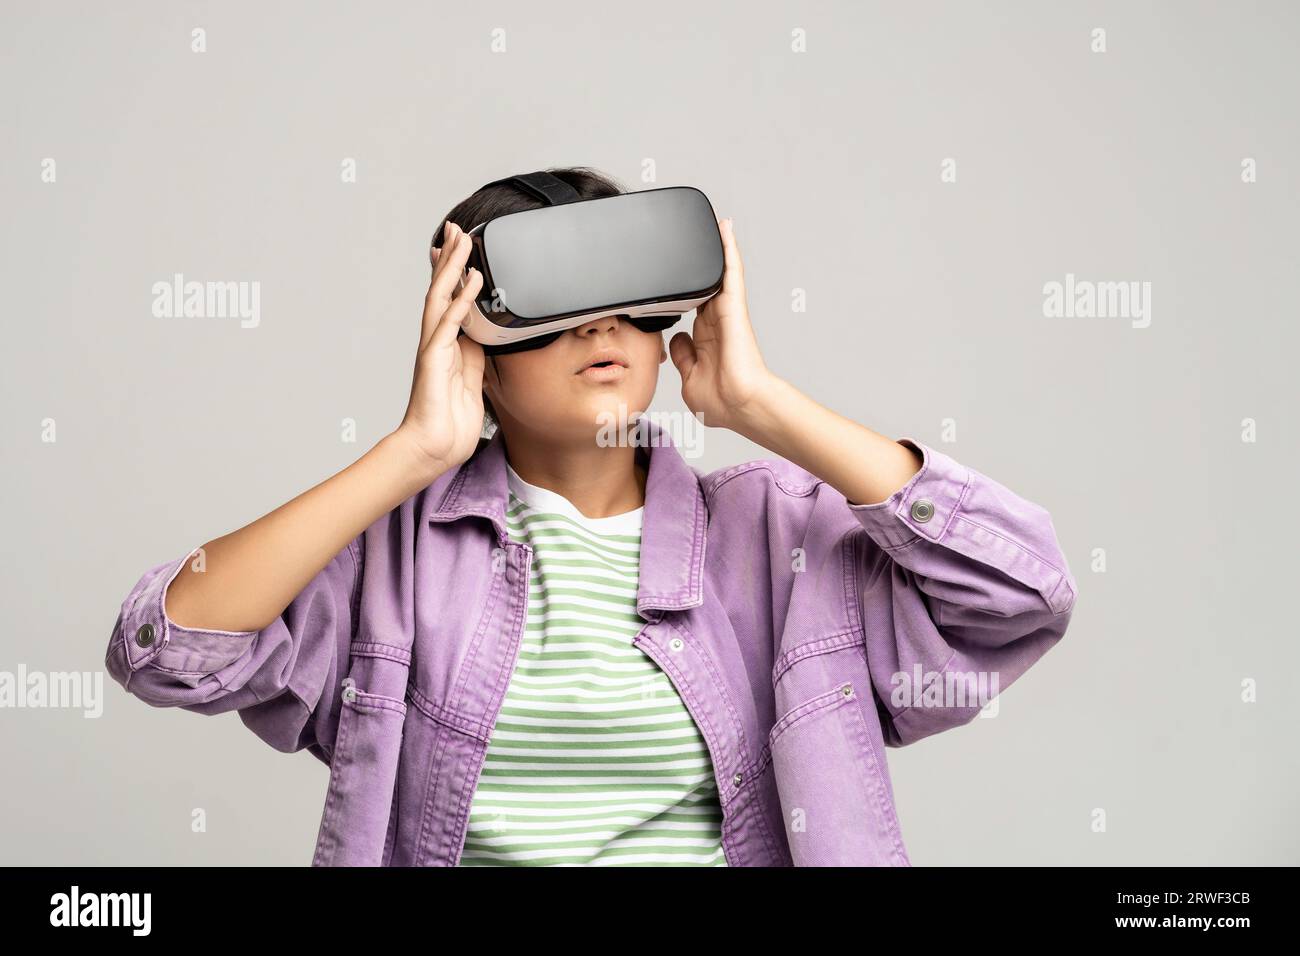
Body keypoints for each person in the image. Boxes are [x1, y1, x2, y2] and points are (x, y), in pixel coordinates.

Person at [106, 166, 1077, 866]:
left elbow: (1020, 591)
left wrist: (764, 404)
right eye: (554, 296)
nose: (598, 324)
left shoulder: (777, 540)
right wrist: (412, 450)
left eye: (623, 292)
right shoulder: (389, 565)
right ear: (473, 333)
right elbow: (163, 647)